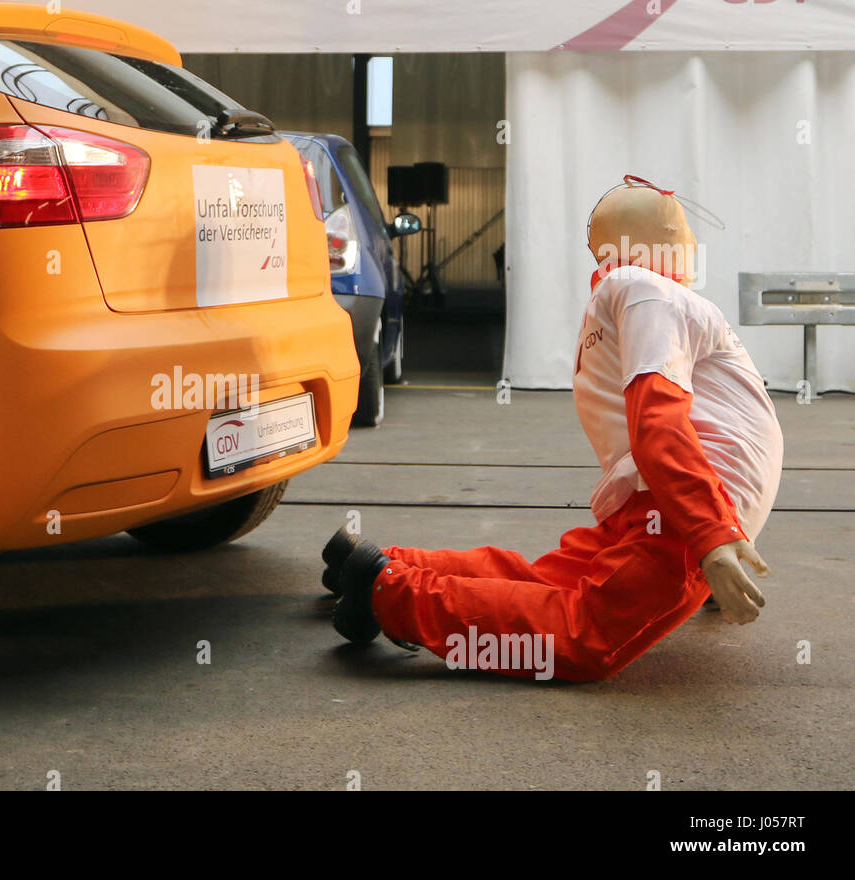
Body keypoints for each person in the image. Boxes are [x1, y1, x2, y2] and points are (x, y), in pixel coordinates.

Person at [324, 176, 784, 682]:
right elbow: (659, 422)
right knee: (583, 634)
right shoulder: (654, 294)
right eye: (683, 228)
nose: (694, 241)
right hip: (686, 512)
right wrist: (711, 539)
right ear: (660, 239)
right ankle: (389, 591)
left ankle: (378, 564)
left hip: (662, 506)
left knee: (545, 582)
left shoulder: (623, 302)